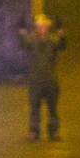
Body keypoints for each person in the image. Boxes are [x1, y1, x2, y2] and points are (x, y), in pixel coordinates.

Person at [19, 13, 66, 141]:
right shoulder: (31, 40)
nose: (41, 29)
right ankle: (34, 132)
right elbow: (23, 45)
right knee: (34, 107)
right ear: (35, 28)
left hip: (50, 79)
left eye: (43, 26)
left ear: (47, 27)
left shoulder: (52, 40)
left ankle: (53, 132)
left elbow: (62, 46)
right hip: (35, 80)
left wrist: (62, 36)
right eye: (38, 26)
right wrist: (22, 34)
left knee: (52, 108)